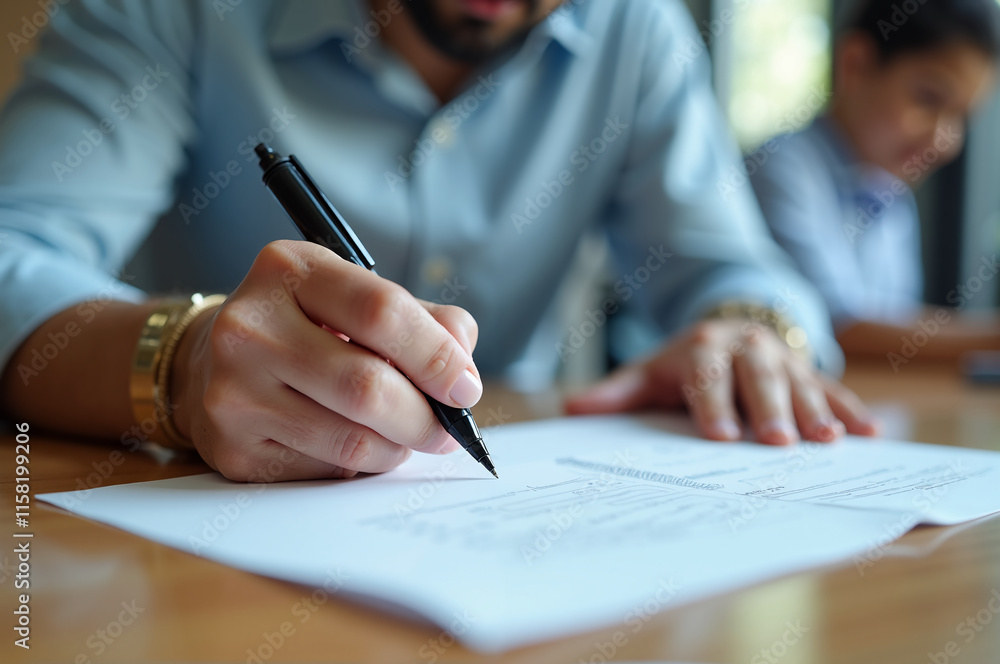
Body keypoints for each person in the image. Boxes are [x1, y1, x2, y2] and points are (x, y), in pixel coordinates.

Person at [0, 0, 877, 483]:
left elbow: (730, 263)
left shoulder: (635, 31)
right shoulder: (178, 14)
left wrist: (753, 328)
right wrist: (179, 363)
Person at [750, 0, 1000, 367]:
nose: (945, 140)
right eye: (929, 99)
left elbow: (896, 337)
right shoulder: (780, 168)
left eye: (962, 117)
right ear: (855, 64)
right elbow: (834, 331)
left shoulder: (891, 196)